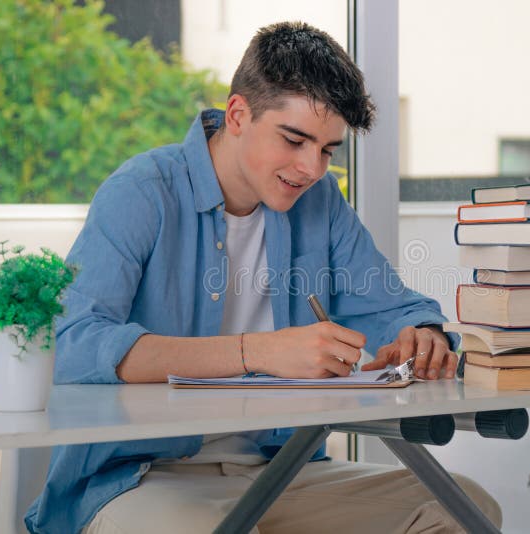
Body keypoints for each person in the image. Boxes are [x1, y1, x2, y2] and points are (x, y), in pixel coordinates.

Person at [25, 21, 501, 533]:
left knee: (465, 508)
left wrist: (423, 336)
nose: (311, 168)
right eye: (294, 140)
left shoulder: (318, 203)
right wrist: (260, 351)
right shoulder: (142, 192)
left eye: (326, 149)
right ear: (237, 114)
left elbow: (391, 304)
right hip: (141, 479)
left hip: (283, 472)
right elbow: (76, 343)